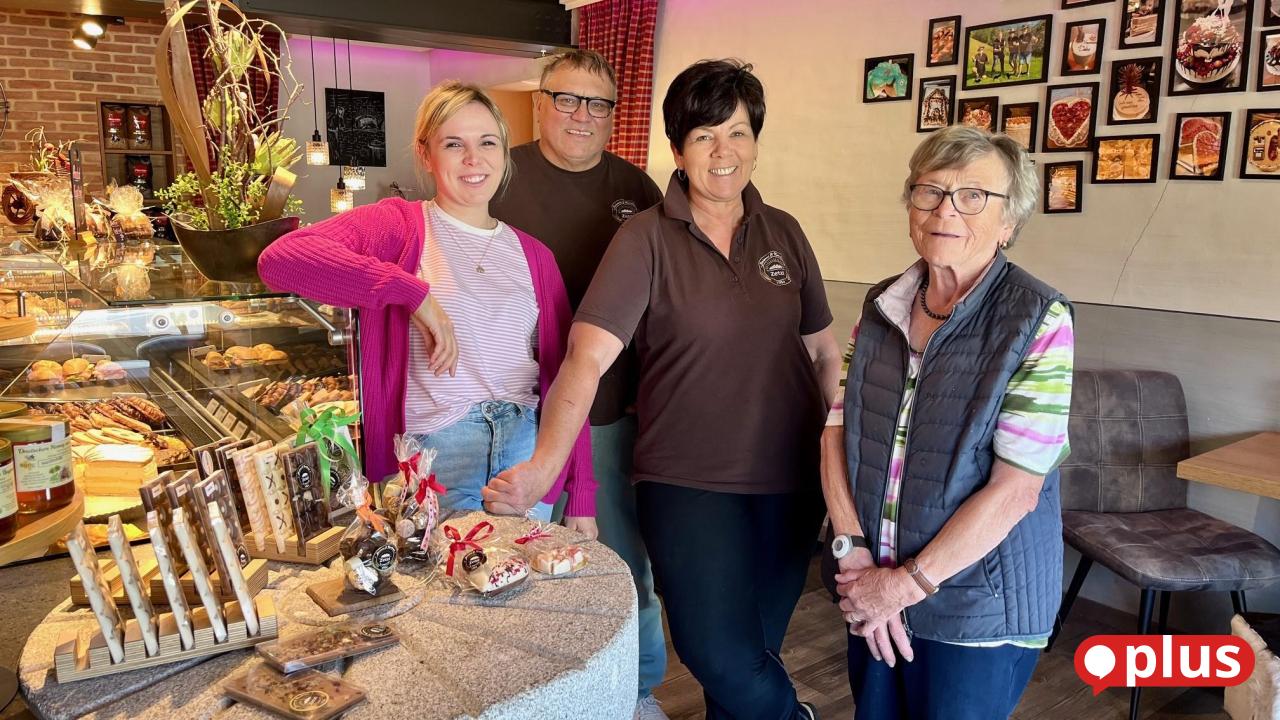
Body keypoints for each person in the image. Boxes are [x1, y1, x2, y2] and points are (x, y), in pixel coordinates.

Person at [484, 59, 839, 720]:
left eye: (737, 132)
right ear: (678, 149)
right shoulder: (644, 237)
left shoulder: (784, 231)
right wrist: (545, 466)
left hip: (789, 483)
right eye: (705, 136)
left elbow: (821, 348)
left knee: (755, 650)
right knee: (713, 651)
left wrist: (835, 449)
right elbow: (586, 360)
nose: (723, 151)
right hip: (687, 479)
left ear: (756, 142)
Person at [258, 81, 597, 529]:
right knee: (442, 593)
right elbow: (280, 260)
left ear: (504, 152)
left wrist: (581, 498)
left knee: (523, 592)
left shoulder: (534, 255)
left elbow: (567, 377)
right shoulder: (397, 225)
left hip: (526, 456)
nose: (474, 160)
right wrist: (415, 294)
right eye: (454, 144)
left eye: (487, 143)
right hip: (438, 454)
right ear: (426, 154)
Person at [822, 125, 1074, 719]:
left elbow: (1016, 492)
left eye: (973, 196)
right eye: (930, 190)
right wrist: (852, 550)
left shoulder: (1038, 319)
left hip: (976, 605)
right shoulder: (882, 305)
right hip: (872, 577)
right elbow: (837, 429)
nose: (946, 210)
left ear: (1009, 221)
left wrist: (904, 587)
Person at [489, 49, 669, 720]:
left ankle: (638, 686)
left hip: (611, 410)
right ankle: (528, 691)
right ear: (540, 104)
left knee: (621, 563)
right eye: (567, 99)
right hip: (515, 409)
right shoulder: (501, 177)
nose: (581, 116)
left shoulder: (638, 189)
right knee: (516, 561)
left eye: (597, 103)